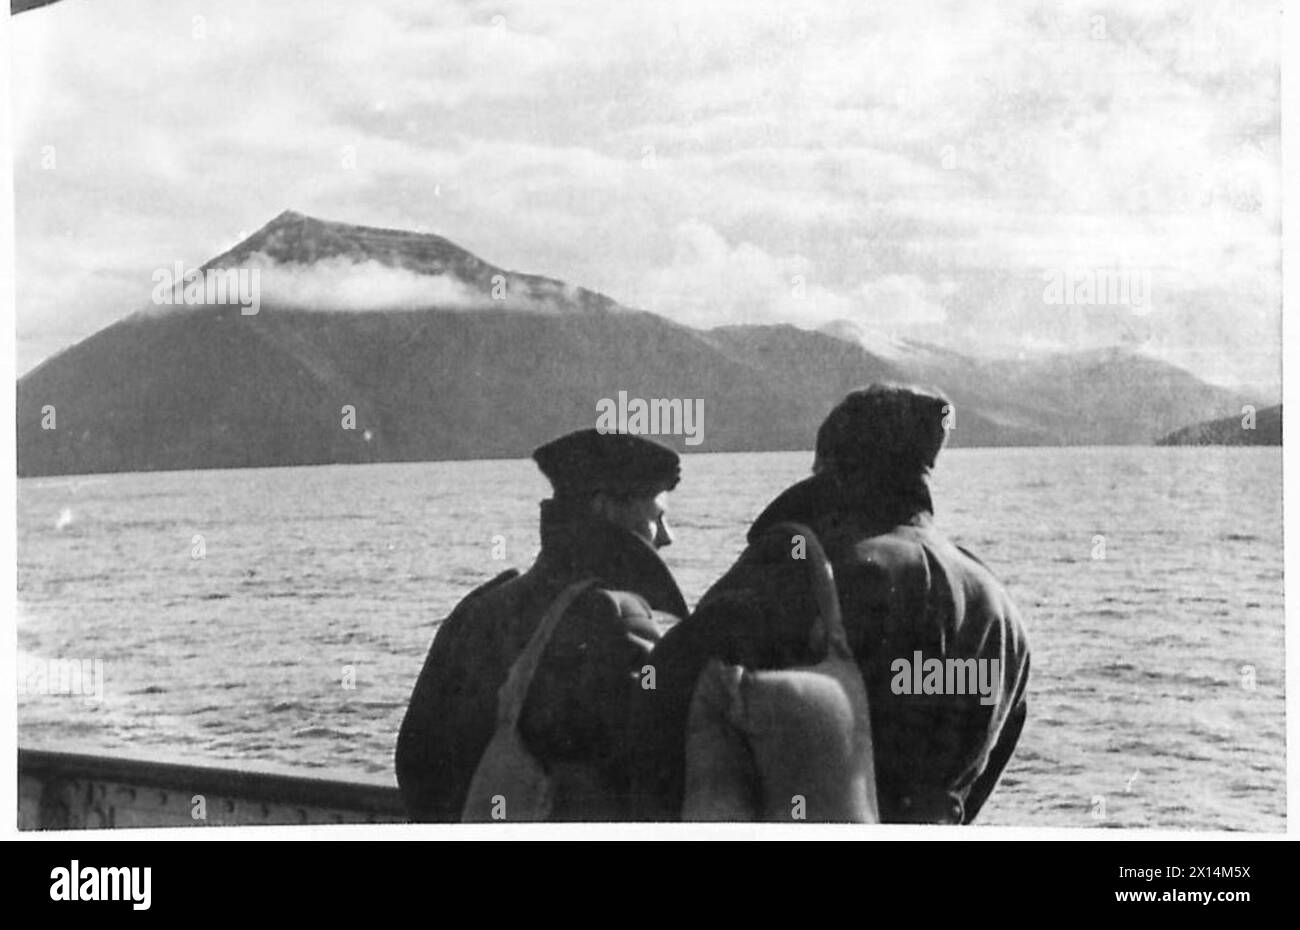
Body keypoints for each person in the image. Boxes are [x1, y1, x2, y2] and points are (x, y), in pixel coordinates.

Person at [631, 384, 1031, 823]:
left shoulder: (805, 569)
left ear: (829, 467)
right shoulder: (1000, 609)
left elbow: (664, 702)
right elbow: (987, 770)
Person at [395, 428, 688, 822]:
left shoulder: (480, 608)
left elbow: (416, 761)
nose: (667, 537)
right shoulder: (614, 617)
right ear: (605, 509)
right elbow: (648, 775)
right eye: (657, 518)